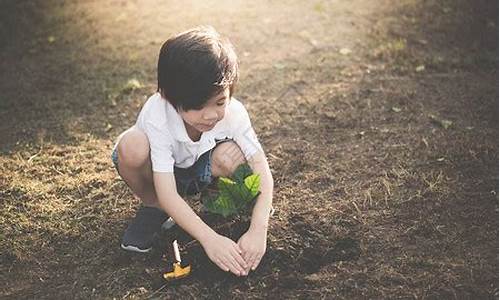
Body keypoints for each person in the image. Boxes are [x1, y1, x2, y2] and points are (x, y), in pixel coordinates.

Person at [110, 26, 274, 277]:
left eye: (219, 102)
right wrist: (210, 239)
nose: (211, 115)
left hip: (196, 167)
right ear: (167, 96)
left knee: (234, 155)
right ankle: (153, 208)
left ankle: (211, 194)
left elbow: (261, 166)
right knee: (132, 147)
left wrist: (258, 229)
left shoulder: (234, 113)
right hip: (157, 173)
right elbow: (167, 191)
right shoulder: (158, 114)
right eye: (197, 106)